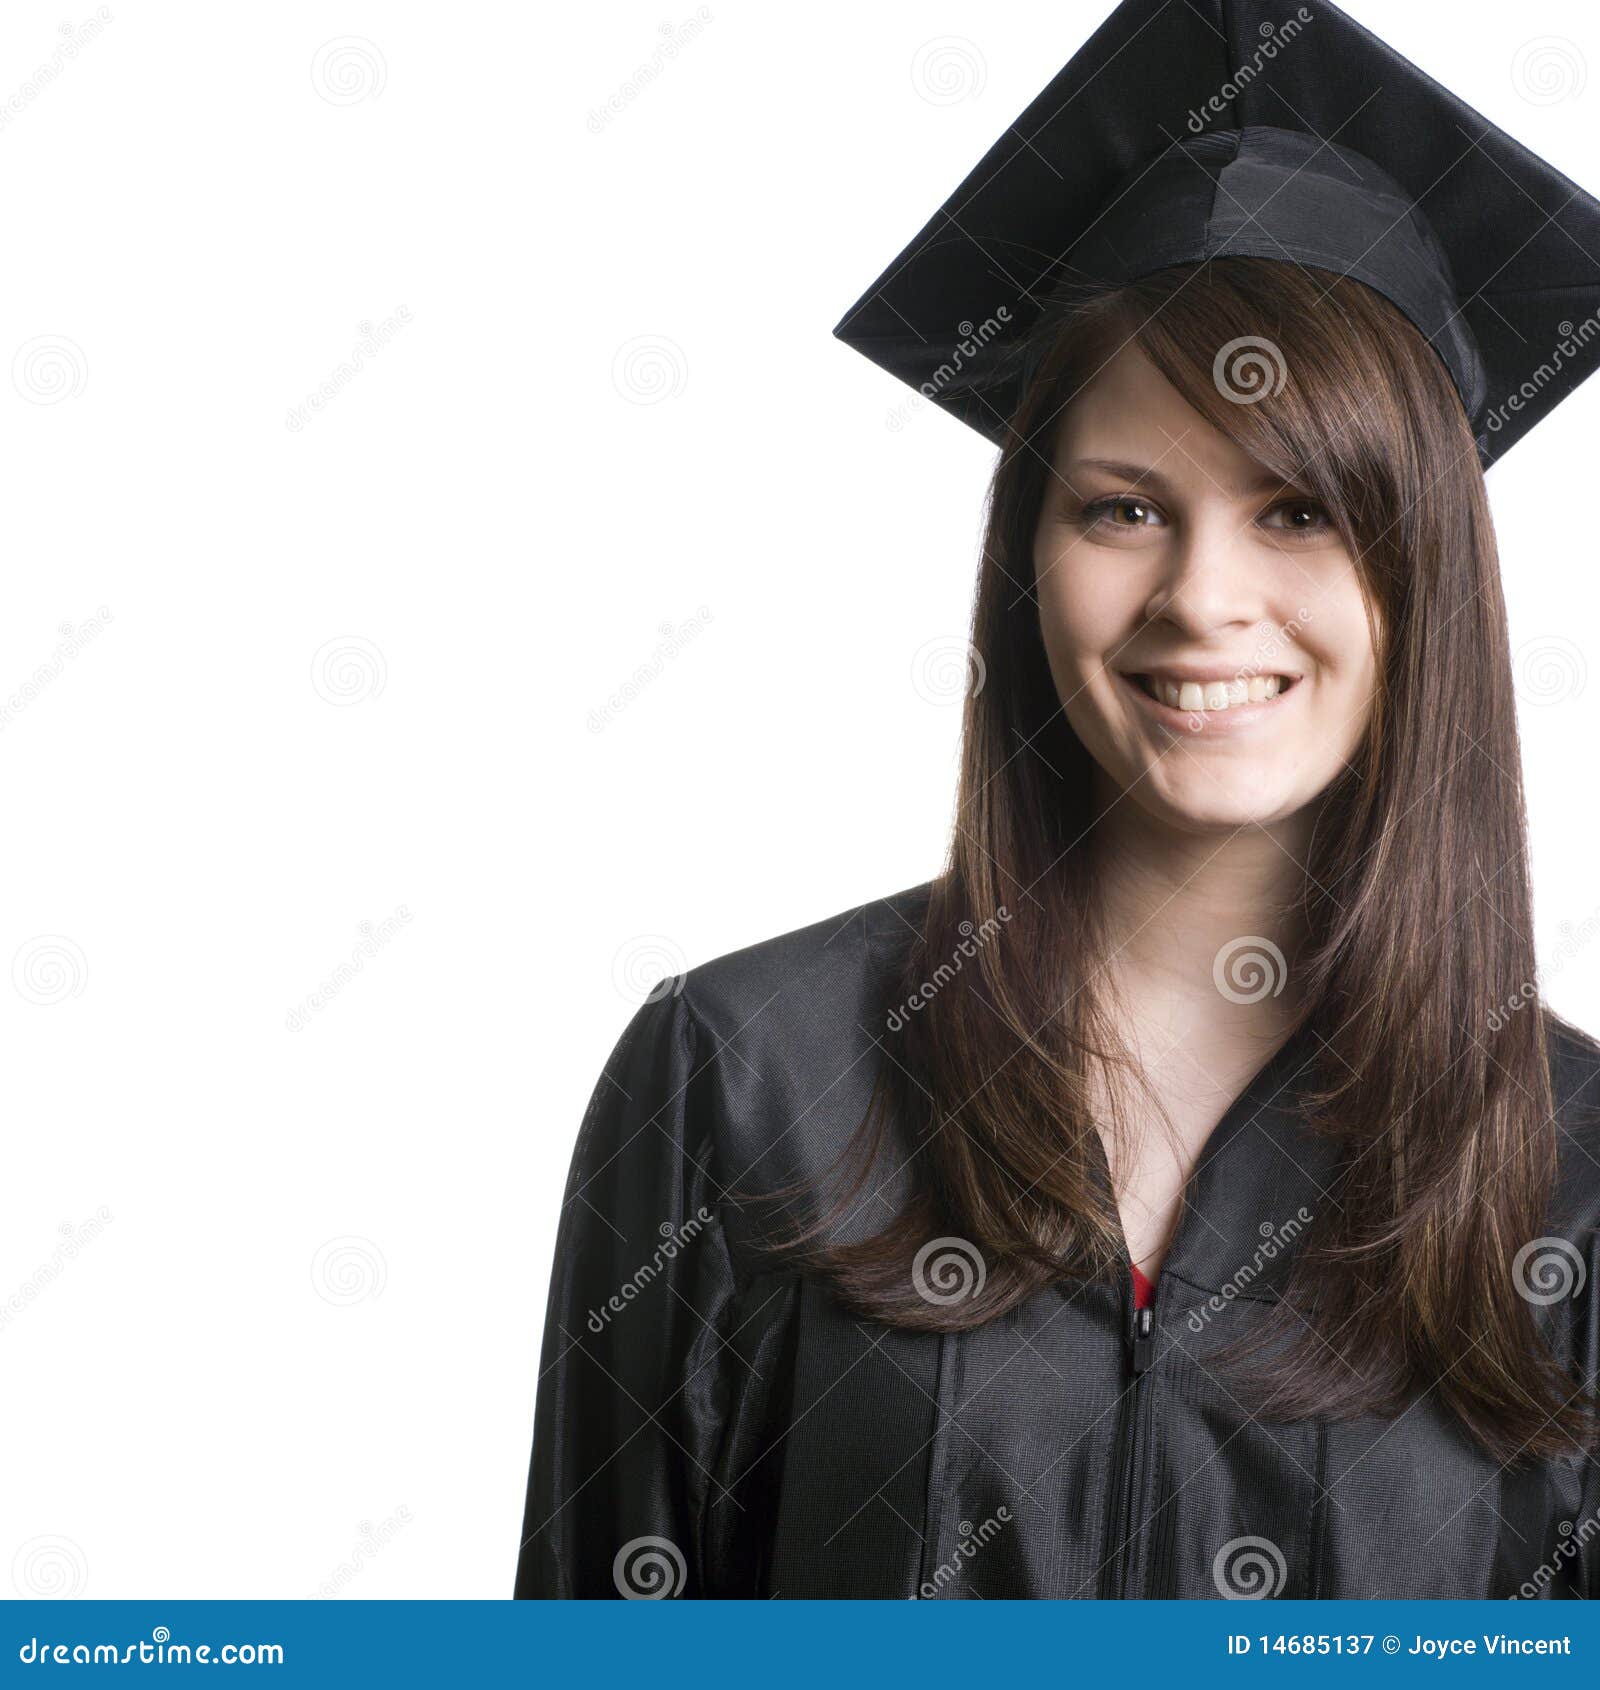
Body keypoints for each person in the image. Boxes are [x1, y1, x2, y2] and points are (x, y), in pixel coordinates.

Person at [515, 0, 1600, 1599]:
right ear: (1030, 559)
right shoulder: (746, 1085)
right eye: (1123, 508)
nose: (1203, 597)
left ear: (1420, 572)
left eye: (1298, 508)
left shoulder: (1570, 1176)